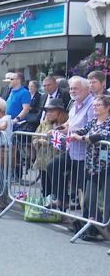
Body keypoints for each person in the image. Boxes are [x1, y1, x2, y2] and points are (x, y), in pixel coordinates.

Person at [45, 76, 94, 211]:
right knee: (52, 166)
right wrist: (59, 129)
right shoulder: (74, 103)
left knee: (83, 186)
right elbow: (69, 123)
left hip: (86, 153)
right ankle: (63, 201)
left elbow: (92, 127)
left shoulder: (92, 104)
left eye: (75, 88)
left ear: (86, 89)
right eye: (71, 88)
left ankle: (93, 221)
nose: (72, 91)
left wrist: (73, 133)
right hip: (72, 149)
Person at [70, 95, 110, 240]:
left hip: (106, 166)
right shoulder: (93, 120)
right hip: (92, 165)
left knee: (106, 201)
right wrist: (74, 134)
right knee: (88, 199)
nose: (95, 107)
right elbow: (84, 130)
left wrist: (81, 138)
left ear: (107, 107)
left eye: (98, 105)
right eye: (94, 105)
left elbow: (100, 137)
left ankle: (103, 227)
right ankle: (98, 226)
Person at [33, 98, 68, 201]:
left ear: (60, 112)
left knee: (58, 187)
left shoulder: (65, 125)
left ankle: (60, 210)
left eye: (52, 111)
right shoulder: (44, 124)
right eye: (47, 111)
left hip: (58, 160)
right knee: (45, 187)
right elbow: (34, 137)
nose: (49, 113)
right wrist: (39, 141)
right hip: (43, 160)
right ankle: (46, 209)